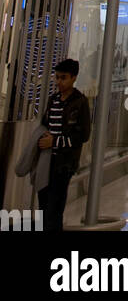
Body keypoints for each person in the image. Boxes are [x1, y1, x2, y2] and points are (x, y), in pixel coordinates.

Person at [37, 58, 91, 232]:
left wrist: (55, 142)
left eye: (64, 78)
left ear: (74, 78)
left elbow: (82, 135)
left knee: (55, 206)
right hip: (46, 161)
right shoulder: (53, 100)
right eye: (57, 77)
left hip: (64, 164)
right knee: (44, 205)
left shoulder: (80, 102)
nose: (59, 82)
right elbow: (46, 124)